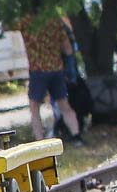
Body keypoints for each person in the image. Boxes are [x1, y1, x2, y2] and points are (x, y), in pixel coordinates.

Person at [14, 9, 82, 143]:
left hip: (37, 70)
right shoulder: (54, 21)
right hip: (56, 68)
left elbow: (6, 26)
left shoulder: (25, 21)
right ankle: (77, 136)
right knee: (64, 105)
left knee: (34, 108)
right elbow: (68, 49)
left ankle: (40, 140)